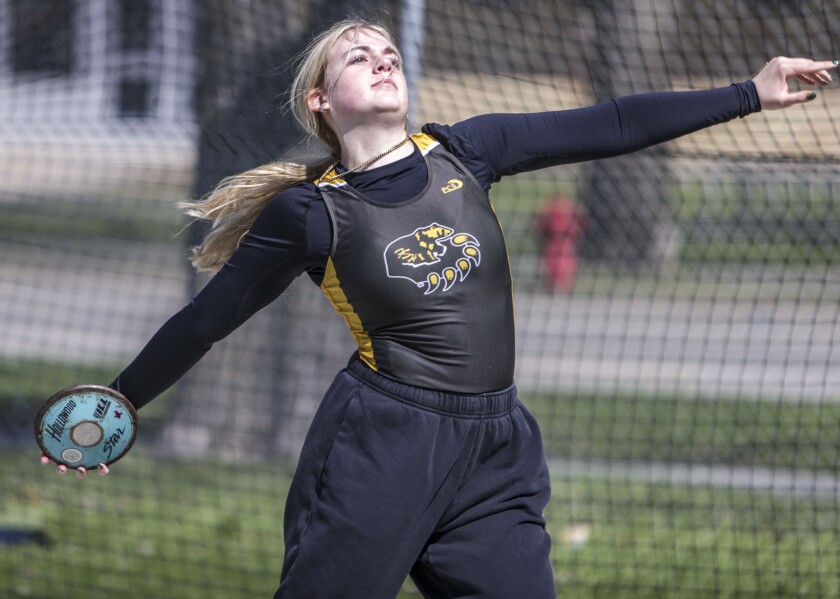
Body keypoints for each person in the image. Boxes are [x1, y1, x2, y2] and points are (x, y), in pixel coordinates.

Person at [39, 16, 836, 598]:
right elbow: (203, 322)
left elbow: (613, 123)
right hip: (383, 444)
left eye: (391, 52)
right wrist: (118, 401)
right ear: (322, 99)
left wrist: (749, 94)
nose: (384, 61)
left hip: (496, 446)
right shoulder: (312, 213)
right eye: (361, 56)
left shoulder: (465, 150)